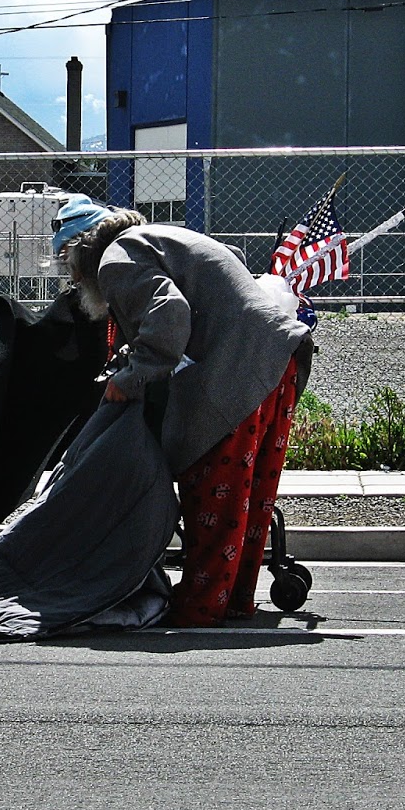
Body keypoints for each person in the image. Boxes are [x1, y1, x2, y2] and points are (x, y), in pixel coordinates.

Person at [49, 193, 313, 627]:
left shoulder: (116, 259)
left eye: (71, 268)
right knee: (249, 495)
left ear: (82, 251)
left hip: (236, 369)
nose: (75, 280)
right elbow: (229, 261)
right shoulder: (159, 237)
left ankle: (201, 606)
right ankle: (236, 598)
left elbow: (170, 315)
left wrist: (131, 378)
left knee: (213, 487)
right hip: (278, 357)